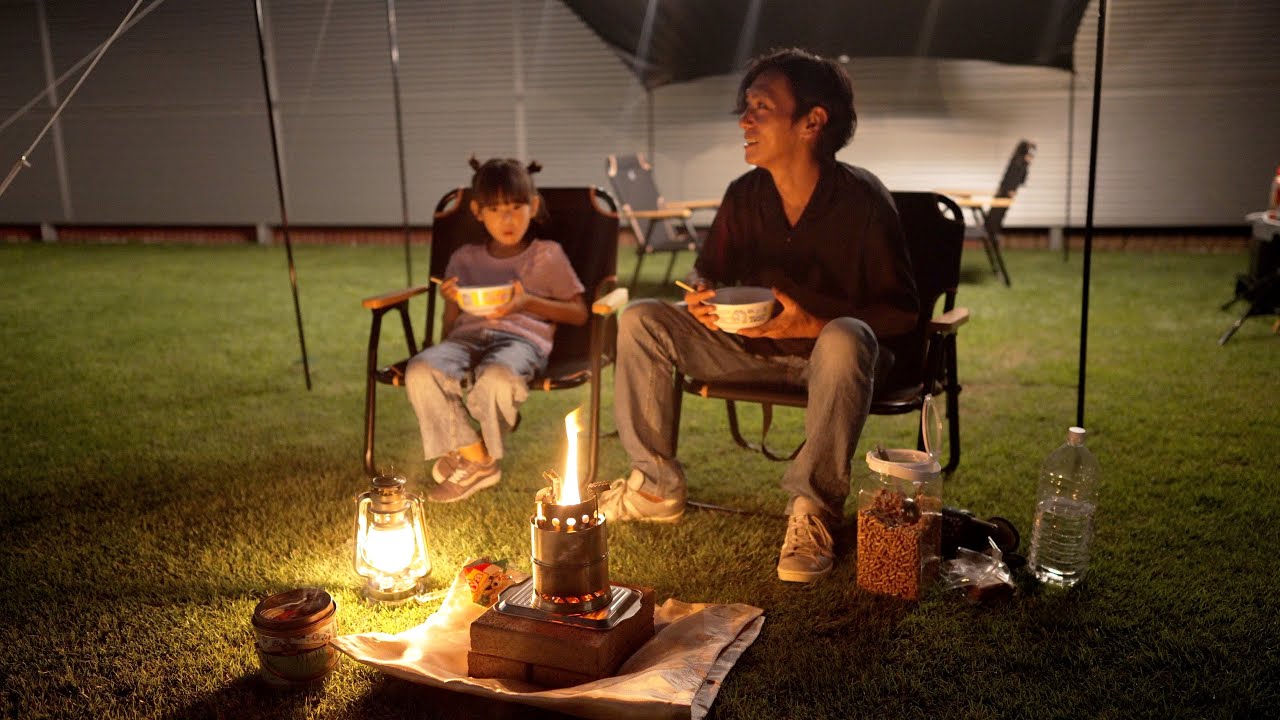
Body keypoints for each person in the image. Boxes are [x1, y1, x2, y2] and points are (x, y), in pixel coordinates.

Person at [599, 48, 919, 583]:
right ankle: (655, 485)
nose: (744, 120)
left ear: (812, 122)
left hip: (835, 364)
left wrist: (813, 324)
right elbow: (712, 277)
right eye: (745, 106)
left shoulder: (863, 200)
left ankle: (812, 510)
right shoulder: (744, 196)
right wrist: (701, 296)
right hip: (747, 349)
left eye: (762, 106)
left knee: (842, 337)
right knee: (642, 317)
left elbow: (903, 314)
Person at [405, 157, 588, 503]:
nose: (507, 219)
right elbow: (450, 325)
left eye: (516, 207)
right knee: (421, 369)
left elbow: (578, 313)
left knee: (498, 380)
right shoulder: (464, 258)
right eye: (495, 209)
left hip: (521, 342)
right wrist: (451, 301)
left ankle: (464, 456)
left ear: (533, 207)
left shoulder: (546, 256)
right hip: (465, 338)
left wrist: (527, 302)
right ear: (477, 211)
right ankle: (478, 458)